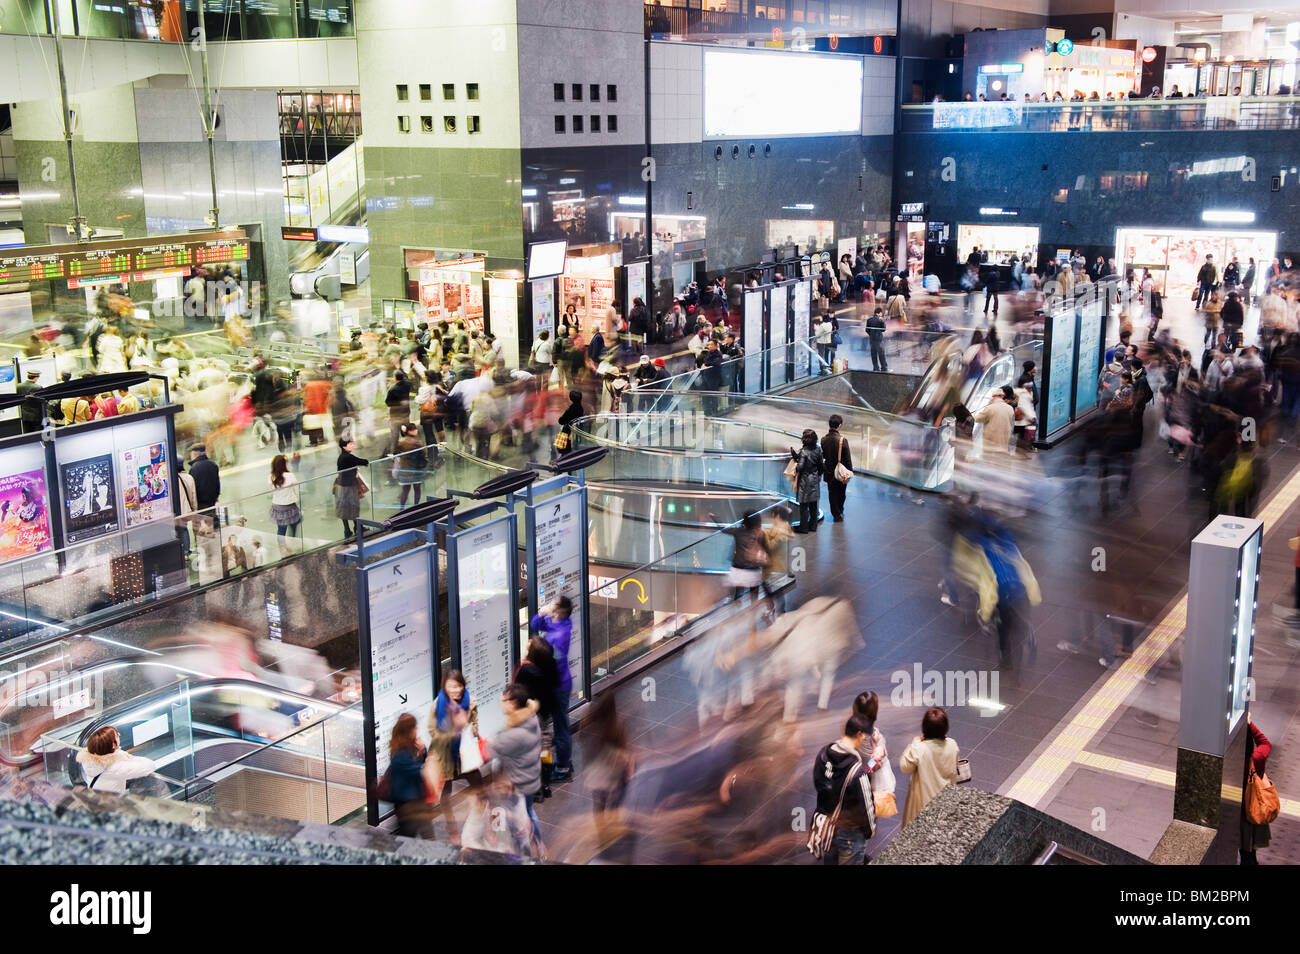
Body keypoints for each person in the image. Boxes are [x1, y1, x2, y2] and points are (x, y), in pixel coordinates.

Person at [811, 713, 876, 864]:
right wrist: (869, 831)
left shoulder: (823, 754)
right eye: (865, 737)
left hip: (827, 828)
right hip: (850, 834)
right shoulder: (858, 773)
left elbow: (819, 785)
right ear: (859, 735)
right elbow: (867, 807)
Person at [427, 670, 480, 846]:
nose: (456, 690)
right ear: (445, 687)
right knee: (445, 795)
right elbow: (432, 730)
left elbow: (474, 726)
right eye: (451, 686)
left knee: (480, 786)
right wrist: (451, 733)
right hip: (445, 756)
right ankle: (452, 828)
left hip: (465, 753)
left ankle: (484, 821)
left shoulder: (470, 702)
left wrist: (467, 732)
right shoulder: (438, 704)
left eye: (458, 686)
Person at [531, 596, 574, 782]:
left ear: (560, 610)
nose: (550, 603)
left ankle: (563, 766)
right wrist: (542, 612)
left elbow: (553, 662)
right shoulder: (556, 622)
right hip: (556, 684)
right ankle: (559, 762)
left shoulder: (560, 634)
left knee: (561, 726)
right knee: (556, 723)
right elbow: (535, 624)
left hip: (559, 686)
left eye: (554, 603)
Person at [513, 636, 559, 801]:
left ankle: (535, 788)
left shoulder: (527, 671)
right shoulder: (550, 665)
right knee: (545, 749)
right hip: (546, 713)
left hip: (531, 715)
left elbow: (517, 691)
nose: (529, 642)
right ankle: (545, 784)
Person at [898, 706, 960, 826]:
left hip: (923, 805)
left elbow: (904, 767)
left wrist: (913, 744)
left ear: (925, 727)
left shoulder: (919, 748)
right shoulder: (952, 744)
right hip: (946, 801)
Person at [388, 713, 435, 838]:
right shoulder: (399, 754)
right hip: (407, 804)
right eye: (415, 727)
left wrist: (423, 750)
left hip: (417, 801)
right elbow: (419, 771)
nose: (417, 729)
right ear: (409, 731)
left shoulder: (410, 746)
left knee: (426, 835)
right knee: (408, 837)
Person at [76, 725, 157, 794]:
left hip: (99, 800)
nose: (119, 737)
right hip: (112, 806)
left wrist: (121, 755)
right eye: (117, 735)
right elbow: (149, 766)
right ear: (113, 745)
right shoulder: (114, 767)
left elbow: (115, 755)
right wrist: (132, 758)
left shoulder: (90, 760)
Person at [1241, 720, 1272, 864]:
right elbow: (1265, 743)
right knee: (1249, 852)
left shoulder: (1230, 760)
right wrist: (1250, 723)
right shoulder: (1256, 758)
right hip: (1252, 809)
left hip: (1233, 811)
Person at [791, 428, 824, 533]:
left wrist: (795, 464)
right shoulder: (818, 449)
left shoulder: (804, 451)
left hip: (804, 481)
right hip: (814, 479)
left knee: (804, 505)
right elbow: (820, 466)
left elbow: (800, 467)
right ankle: (813, 526)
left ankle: (803, 527)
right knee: (814, 505)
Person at [334, 437, 368, 538]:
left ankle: (348, 530)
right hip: (348, 486)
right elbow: (363, 461)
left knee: (344, 508)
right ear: (344, 446)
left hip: (340, 485)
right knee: (353, 507)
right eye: (350, 444)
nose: (353, 445)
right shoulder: (348, 457)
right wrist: (364, 463)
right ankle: (357, 528)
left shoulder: (342, 457)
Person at [821, 414, 852, 522]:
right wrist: (849, 472)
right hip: (840, 471)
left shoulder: (823, 439)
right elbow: (847, 458)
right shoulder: (842, 440)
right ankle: (840, 511)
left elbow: (823, 456)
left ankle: (835, 513)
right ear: (839, 425)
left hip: (829, 471)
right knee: (841, 492)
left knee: (832, 493)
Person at [268, 453, 301, 546]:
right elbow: (296, 489)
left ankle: (282, 547)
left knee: (281, 529)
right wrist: (295, 498)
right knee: (293, 526)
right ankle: (293, 543)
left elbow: (271, 490)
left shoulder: (271, 477)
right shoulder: (290, 476)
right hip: (290, 505)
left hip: (277, 506)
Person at [394, 422, 427, 507]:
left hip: (405, 470)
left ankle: (402, 508)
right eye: (415, 429)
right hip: (416, 470)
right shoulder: (417, 443)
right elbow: (423, 454)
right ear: (410, 431)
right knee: (417, 489)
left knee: (405, 490)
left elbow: (396, 453)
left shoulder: (400, 442)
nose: (416, 430)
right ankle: (416, 506)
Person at [973, 389, 1015, 456]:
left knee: (989, 461)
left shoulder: (990, 408)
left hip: (991, 442)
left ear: (993, 397)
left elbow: (977, 419)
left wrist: (970, 415)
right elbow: (1011, 424)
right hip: (1004, 442)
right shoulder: (1010, 408)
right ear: (1002, 397)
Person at [189, 444, 221, 523]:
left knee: (202, 525)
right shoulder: (213, 464)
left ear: (195, 454)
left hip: (200, 502)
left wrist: (192, 503)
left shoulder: (194, 468)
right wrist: (216, 496)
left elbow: (193, 487)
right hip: (212, 500)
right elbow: (217, 482)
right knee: (211, 519)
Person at [866, 307, 888, 372]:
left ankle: (875, 368)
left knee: (873, 354)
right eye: (881, 313)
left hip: (872, 340)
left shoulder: (869, 320)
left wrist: (871, 335)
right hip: (879, 340)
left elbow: (867, 330)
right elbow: (883, 329)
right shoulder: (880, 320)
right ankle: (884, 368)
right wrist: (883, 321)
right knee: (881, 354)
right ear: (879, 313)